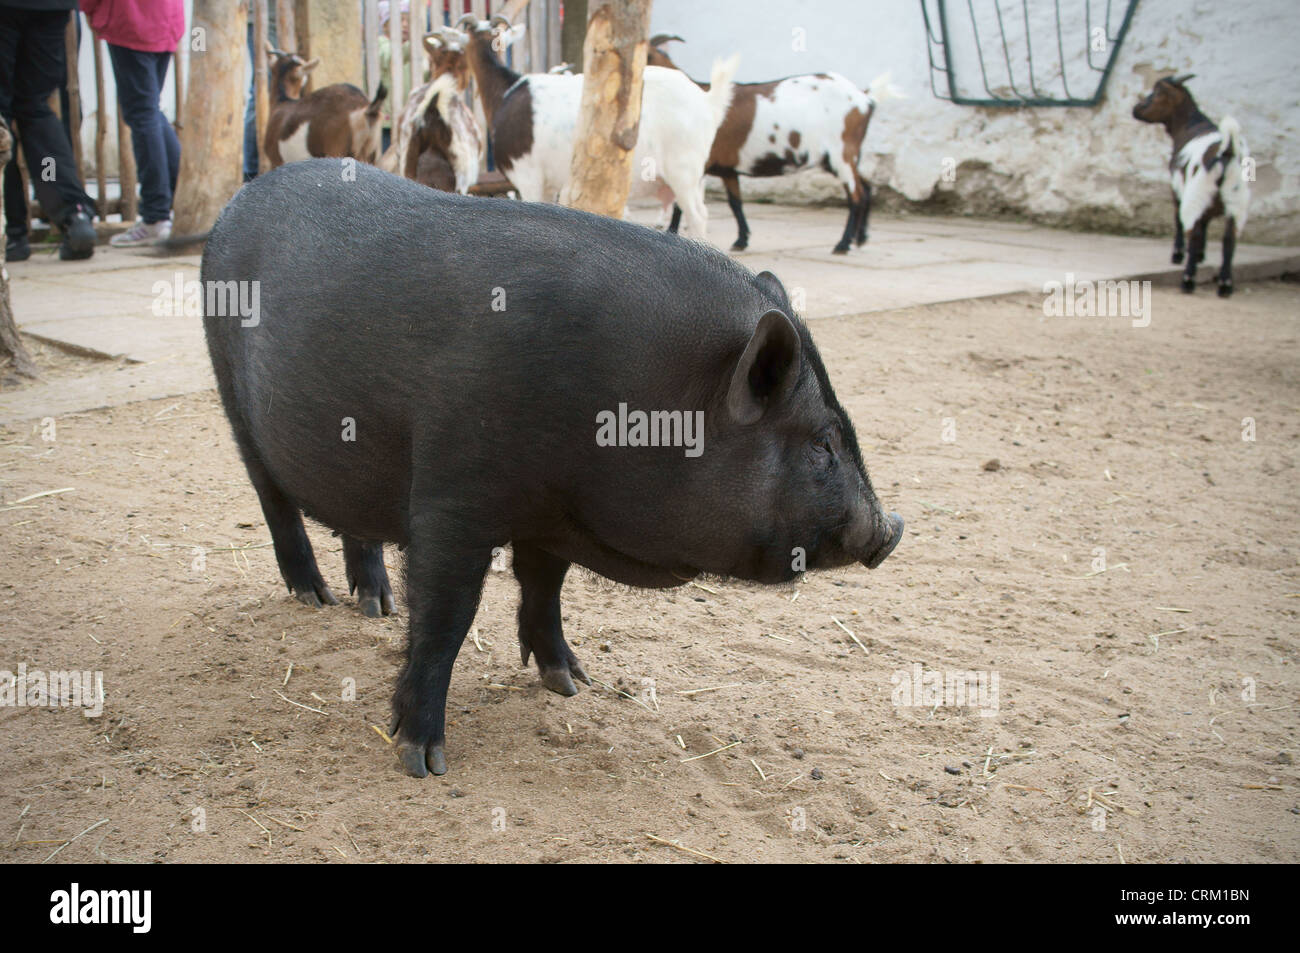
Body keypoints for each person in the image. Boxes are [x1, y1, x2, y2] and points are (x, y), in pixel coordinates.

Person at [81, 0, 184, 247]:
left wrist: (90, 8)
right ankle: (176, 201)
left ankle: (155, 217)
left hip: (133, 19)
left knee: (143, 114)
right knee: (149, 111)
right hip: (165, 18)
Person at [0, 0, 97, 260]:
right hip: (51, 7)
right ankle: (74, 215)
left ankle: (12, 232)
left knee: (2, 115)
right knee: (34, 109)